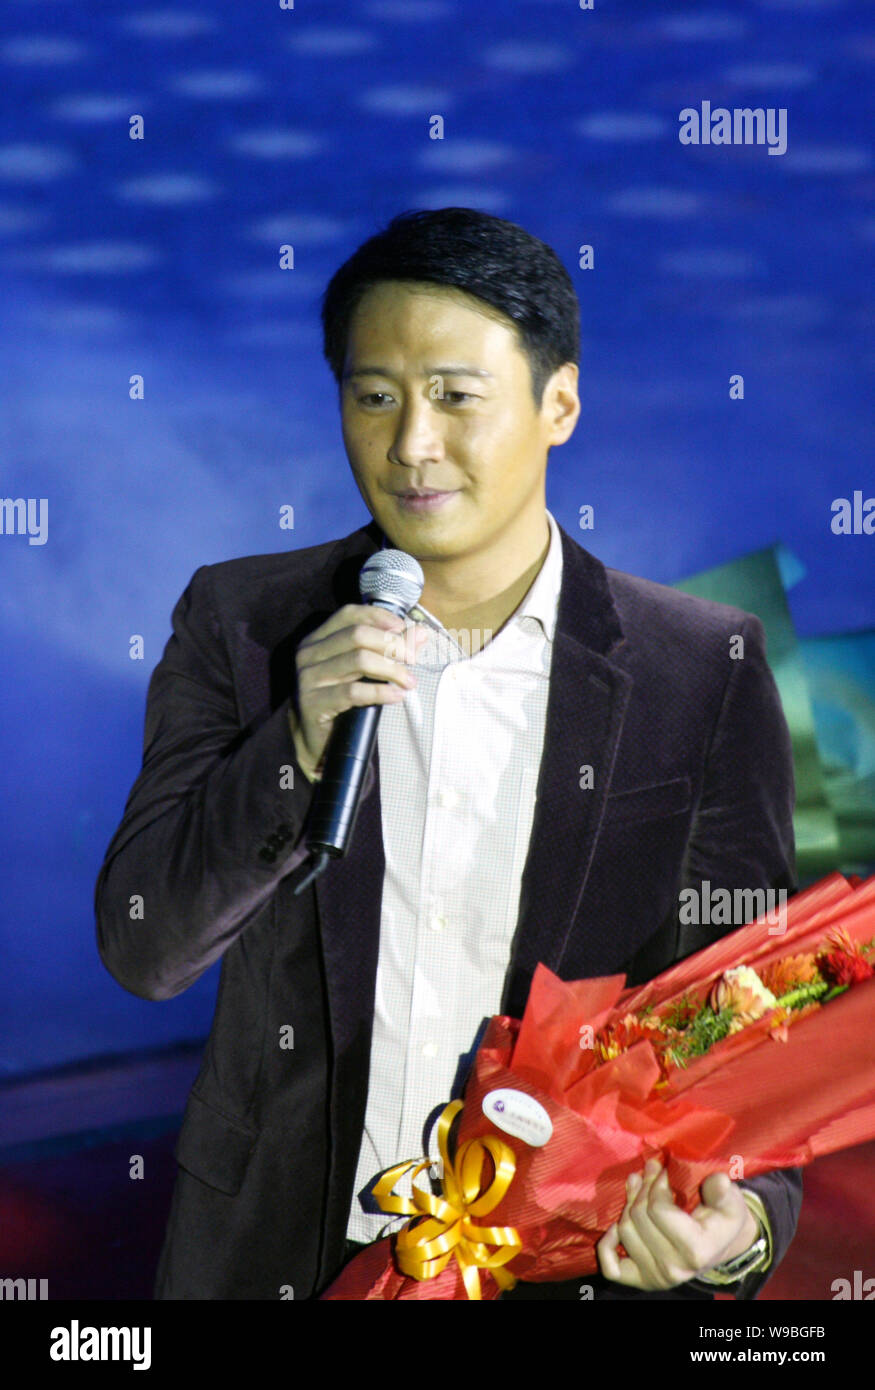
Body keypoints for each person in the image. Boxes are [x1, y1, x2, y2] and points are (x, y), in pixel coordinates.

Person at [95, 207, 801, 1301]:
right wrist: (294, 741)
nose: (410, 443)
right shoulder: (243, 623)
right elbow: (145, 946)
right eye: (374, 395)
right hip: (272, 1259)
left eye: (454, 396)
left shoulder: (698, 669)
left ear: (557, 402)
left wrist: (739, 1230)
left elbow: (749, 1022)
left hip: (560, 1266)